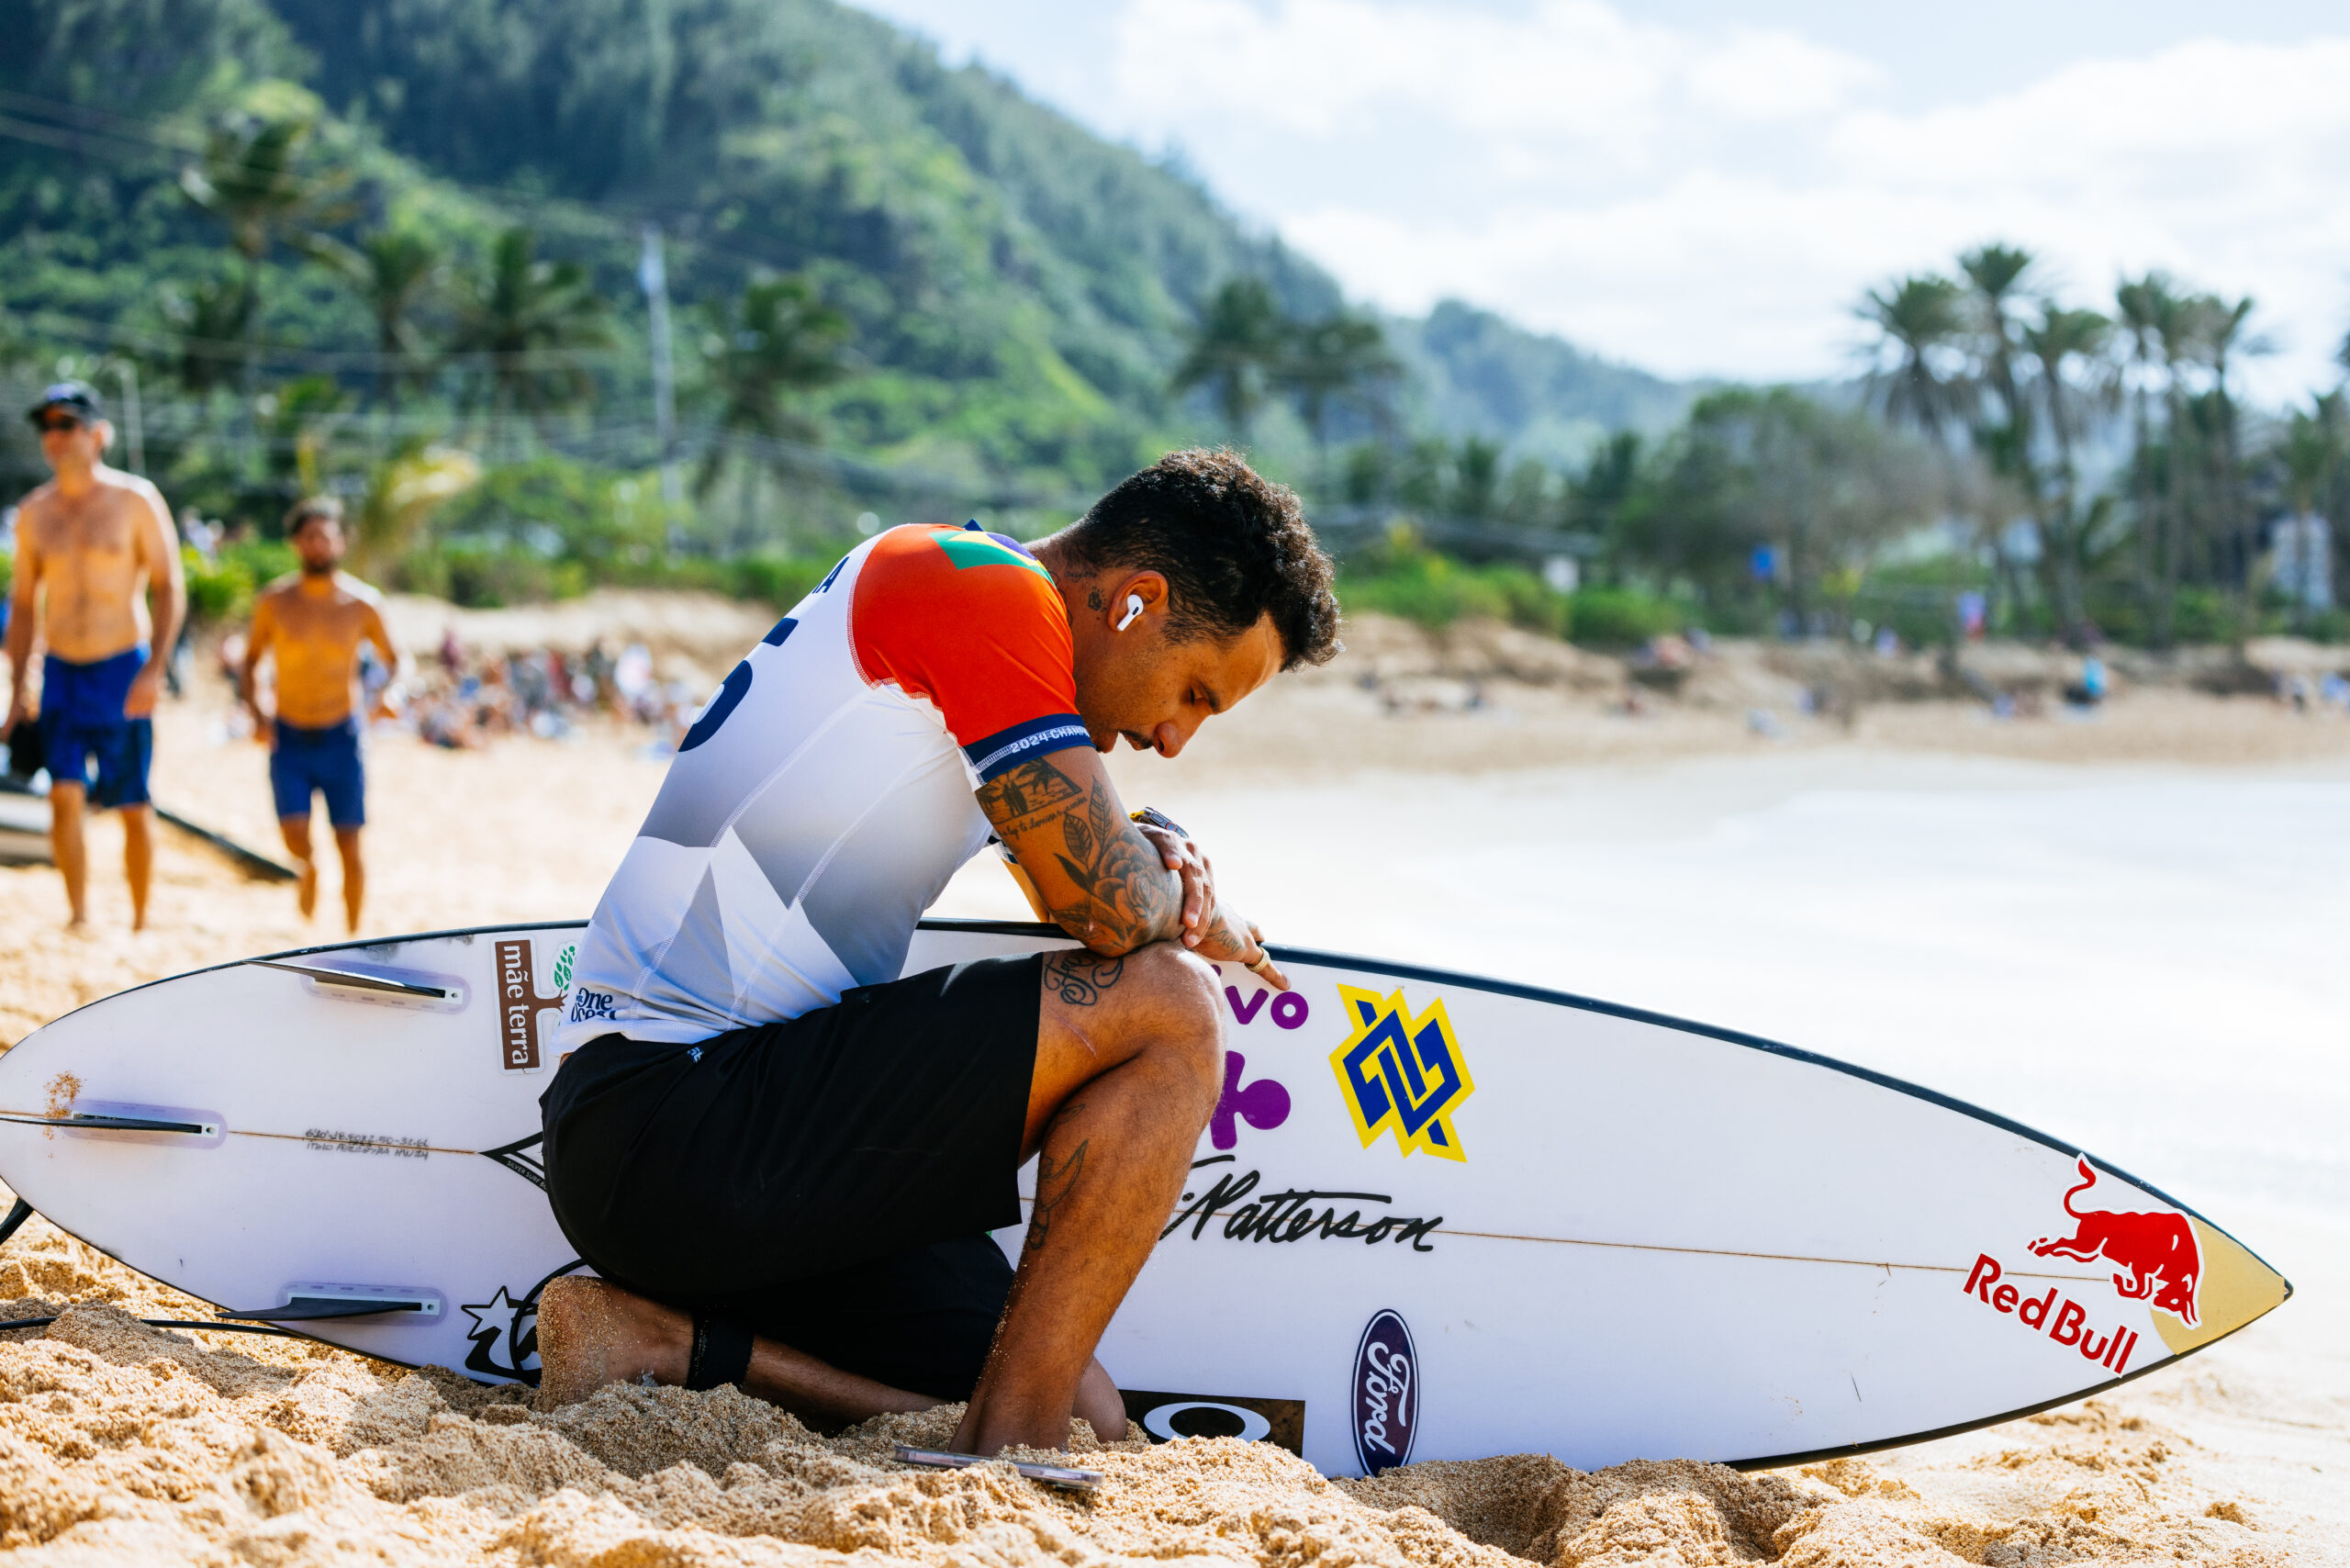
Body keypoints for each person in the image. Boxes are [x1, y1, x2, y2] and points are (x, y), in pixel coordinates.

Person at [534, 448, 1340, 1454]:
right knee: (1173, 1008)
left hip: (747, 1147)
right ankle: (1005, 1447)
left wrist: (1155, 844)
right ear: (1136, 602)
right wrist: (1187, 902)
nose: (1174, 736)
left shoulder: (989, 637)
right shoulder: (976, 589)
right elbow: (1102, 898)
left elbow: (1089, 861)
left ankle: (668, 1343)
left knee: (1086, 1412)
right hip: (671, 1112)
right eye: (1196, 693)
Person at [2, 382, 184, 930]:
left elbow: (169, 585)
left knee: (131, 801)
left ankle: (140, 918)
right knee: (62, 794)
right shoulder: (35, 513)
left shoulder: (136, 500)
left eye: (67, 424)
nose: (55, 436)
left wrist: (156, 669)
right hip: (60, 671)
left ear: (99, 433)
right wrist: (17, 690)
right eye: (47, 427)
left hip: (121, 666)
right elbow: (24, 605)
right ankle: (79, 916)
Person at [240, 498, 406, 933]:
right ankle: (308, 868)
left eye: (326, 536)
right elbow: (251, 660)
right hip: (289, 733)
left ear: (341, 542)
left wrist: (393, 691)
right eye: (309, 536)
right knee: (295, 837)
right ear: (296, 543)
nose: (317, 545)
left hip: (341, 734)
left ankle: (353, 934)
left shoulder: (362, 603)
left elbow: (397, 660)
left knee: (350, 844)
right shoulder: (275, 601)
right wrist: (258, 712)